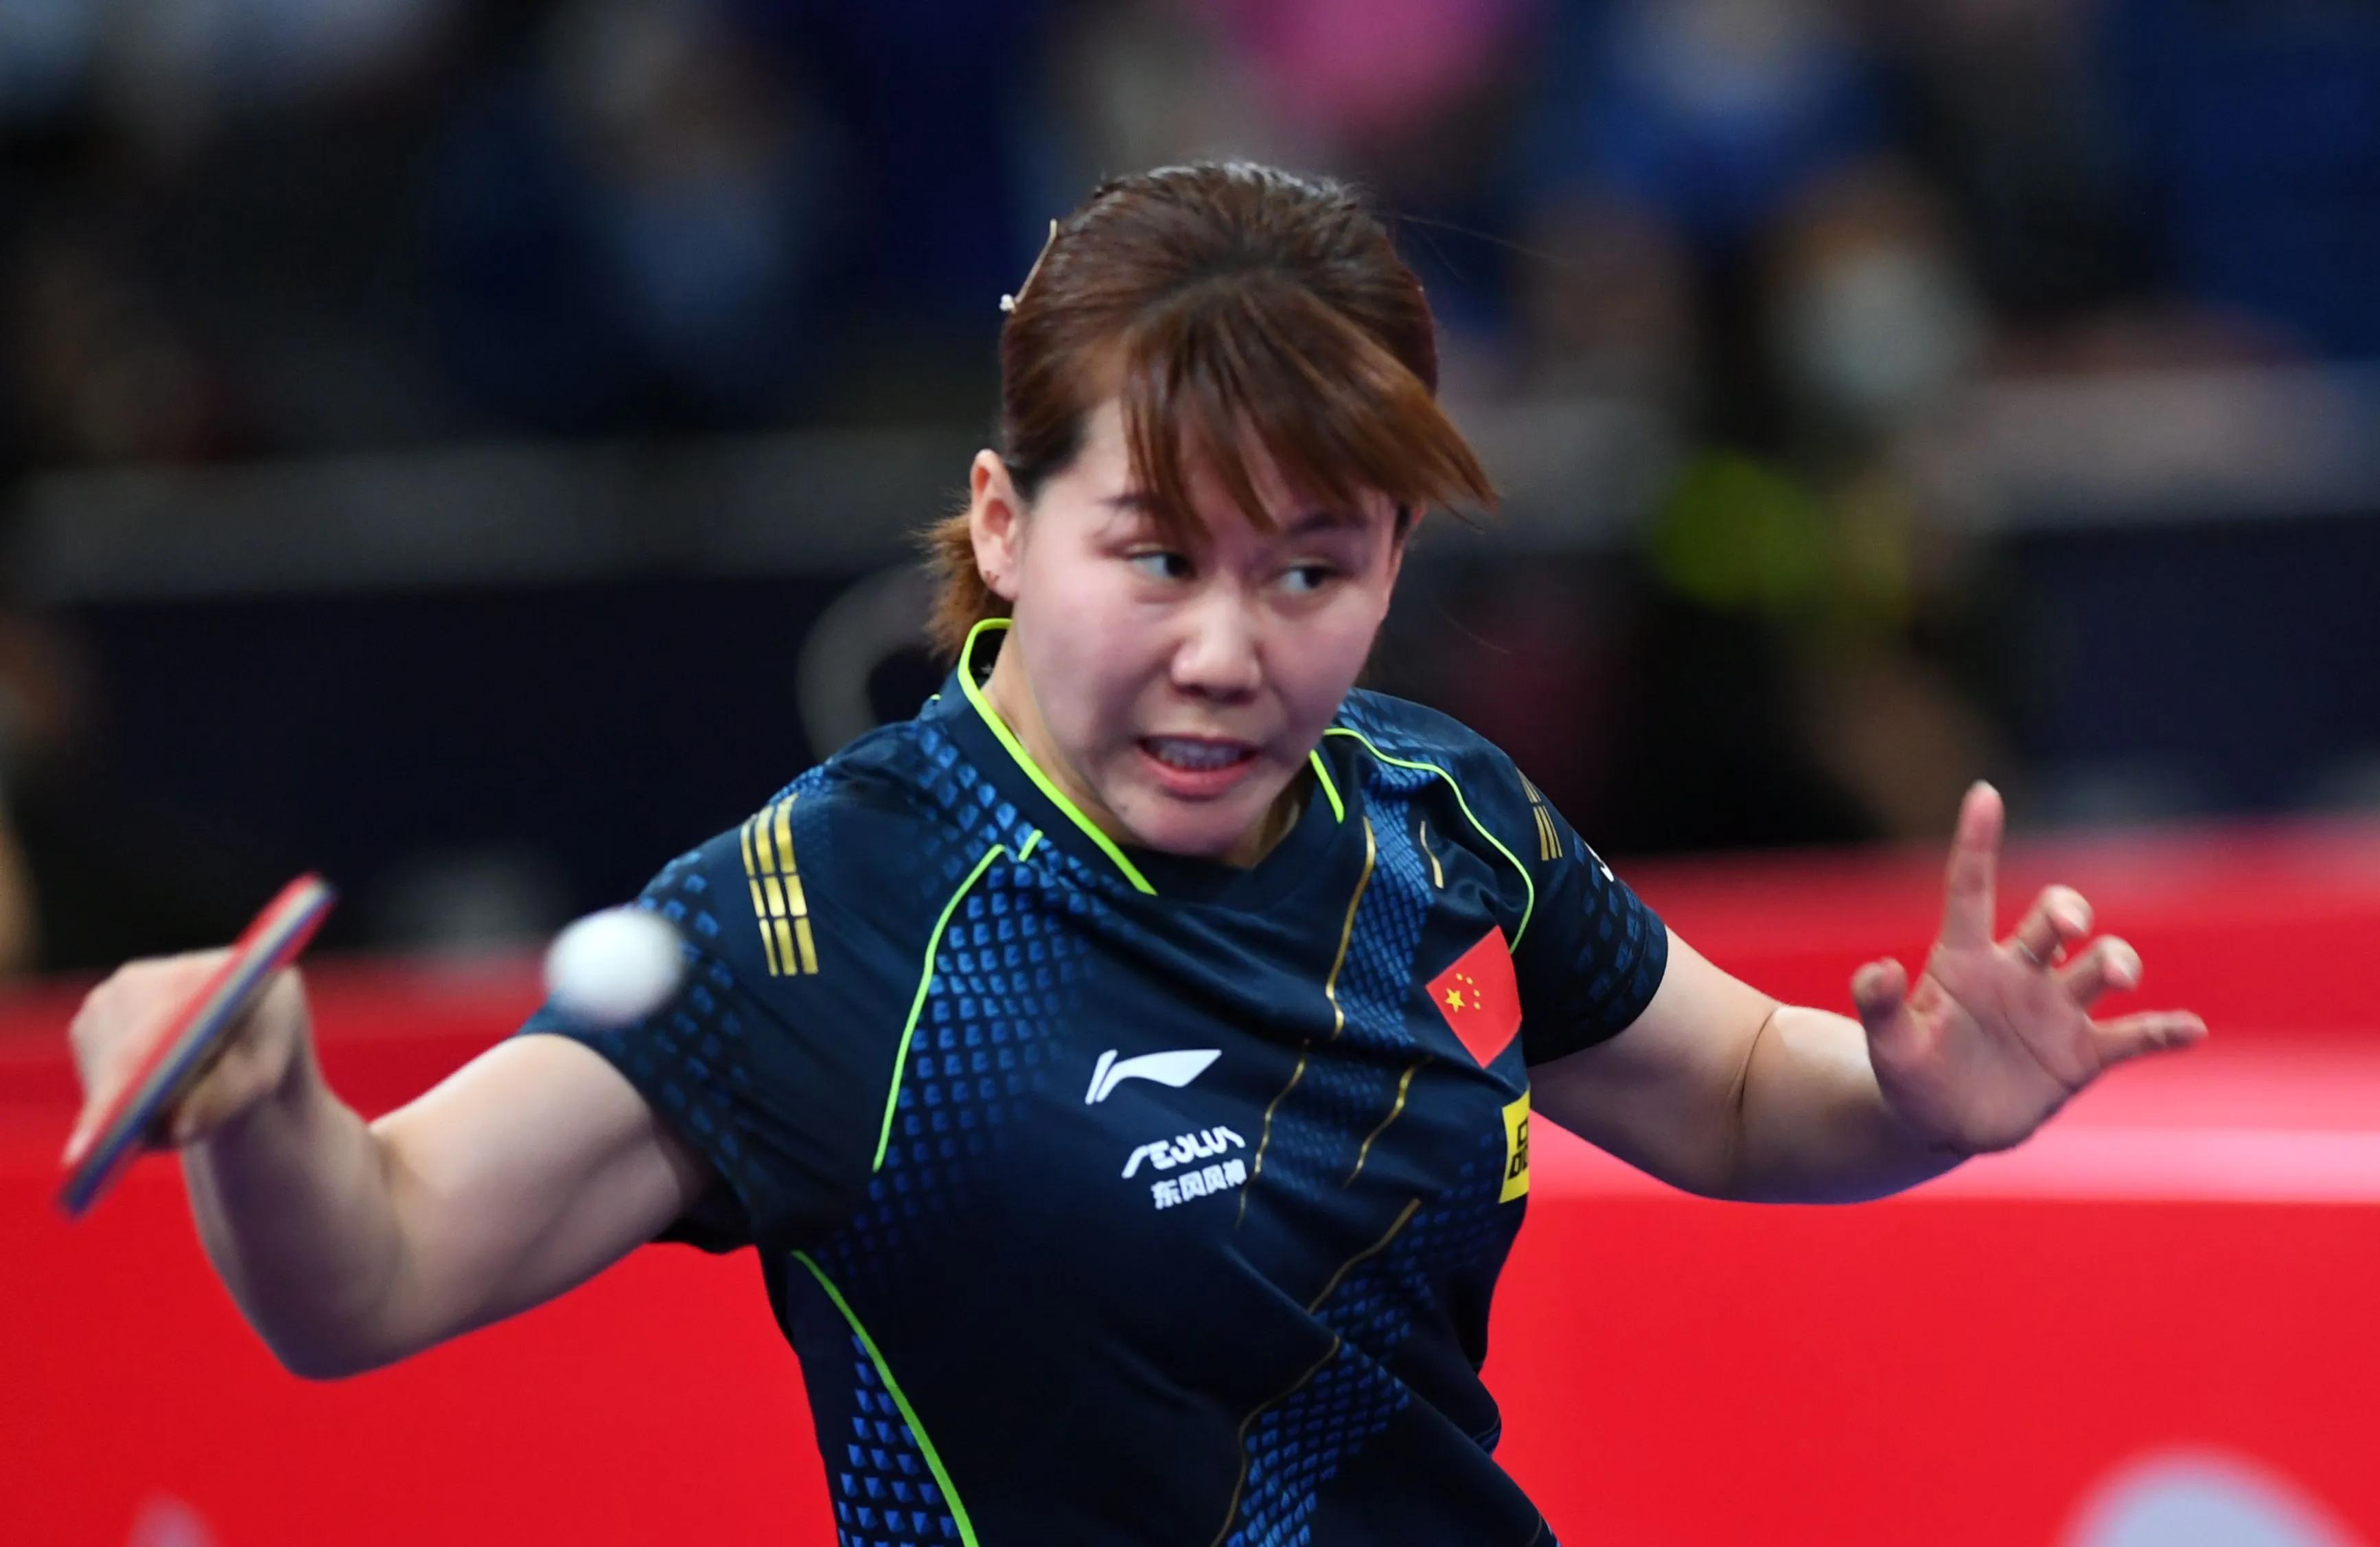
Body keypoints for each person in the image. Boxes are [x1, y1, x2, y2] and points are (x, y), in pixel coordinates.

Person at [62, 163, 2206, 1546]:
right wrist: (263, 1113)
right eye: (1155, 552)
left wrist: (1915, 1105)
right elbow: (379, 1270)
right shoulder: (814, 927)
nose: (1224, 650)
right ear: (1004, 524)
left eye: (1309, 571)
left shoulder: (1433, 816)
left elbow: (1735, 1092)